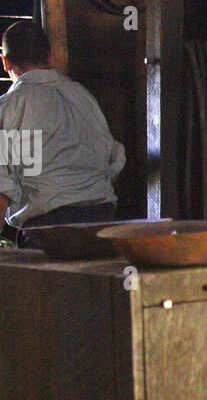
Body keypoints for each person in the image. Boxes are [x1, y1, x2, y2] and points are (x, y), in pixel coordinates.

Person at [0, 21, 125, 243]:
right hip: (104, 227)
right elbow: (113, 161)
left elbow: (2, 189)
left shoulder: (9, 108)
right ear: (50, 55)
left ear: (5, 62)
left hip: (47, 235)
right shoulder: (83, 97)